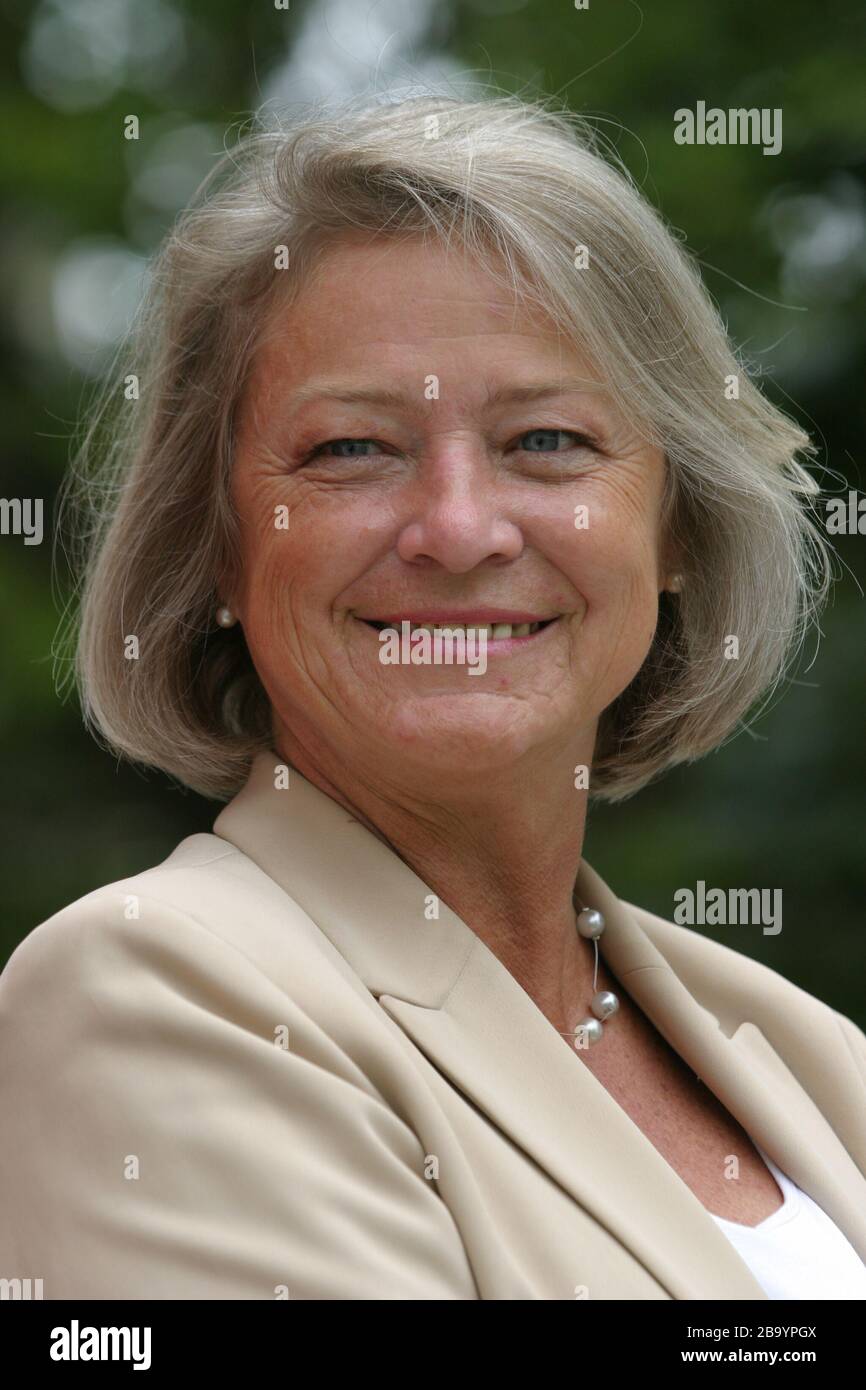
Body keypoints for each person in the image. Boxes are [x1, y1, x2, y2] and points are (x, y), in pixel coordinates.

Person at [1, 92, 864, 1301]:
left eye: (547, 441)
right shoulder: (153, 990)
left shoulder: (810, 1057)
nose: (458, 531)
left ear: (675, 527)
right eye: (351, 449)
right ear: (218, 551)